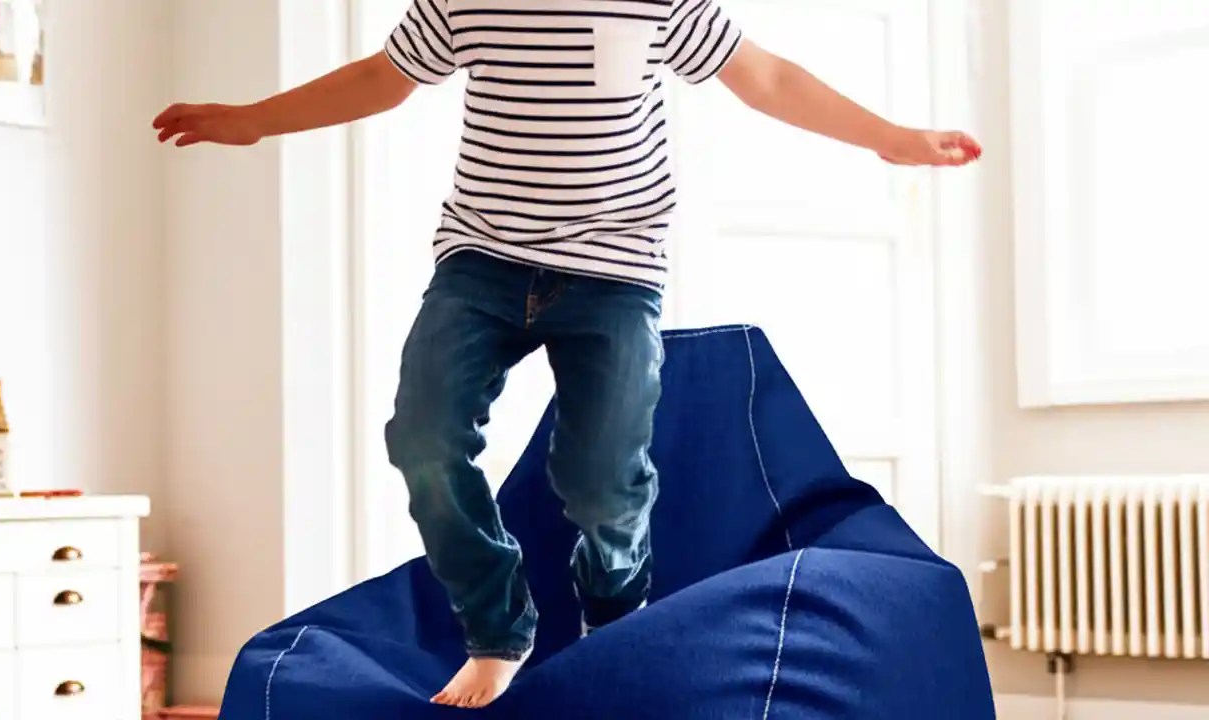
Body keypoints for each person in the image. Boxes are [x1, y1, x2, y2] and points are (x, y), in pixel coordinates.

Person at [154, 0, 981, 709]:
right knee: (424, 438)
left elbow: (763, 76)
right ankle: (497, 629)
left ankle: (614, 612)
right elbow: (384, 75)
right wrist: (254, 119)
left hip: (614, 272)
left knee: (601, 478)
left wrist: (887, 137)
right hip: (482, 263)